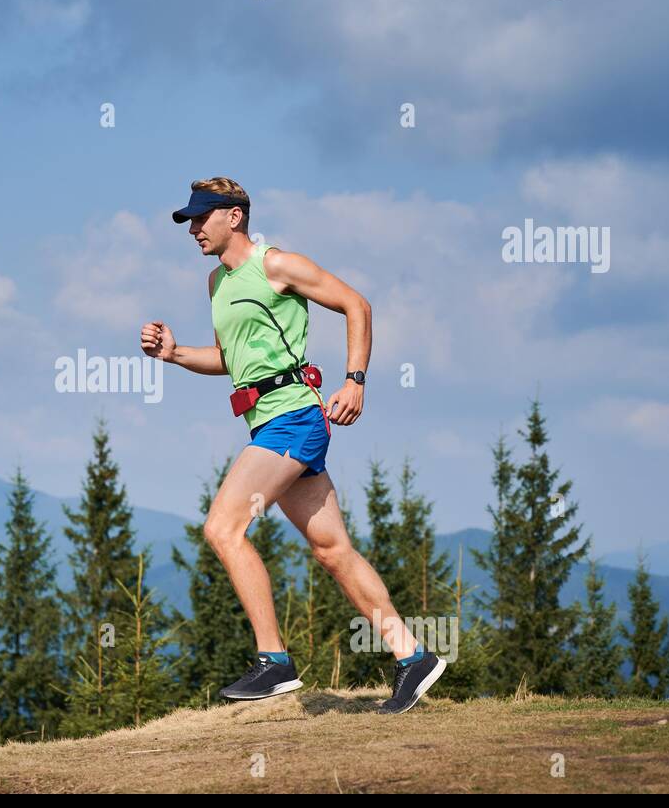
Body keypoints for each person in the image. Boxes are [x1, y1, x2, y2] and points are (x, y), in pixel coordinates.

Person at [140, 177, 446, 714]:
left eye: (200, 217)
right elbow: (230, 360)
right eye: (189, 220)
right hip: (267, 424)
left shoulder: (277, 265)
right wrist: (174, 353)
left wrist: (355, 380)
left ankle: (274, 661)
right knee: (333, 551)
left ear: (233, 216)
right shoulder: (217, 284)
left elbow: (357, 305)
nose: (192, 229)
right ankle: (412, 656)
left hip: (295, 418)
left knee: (223, 528)